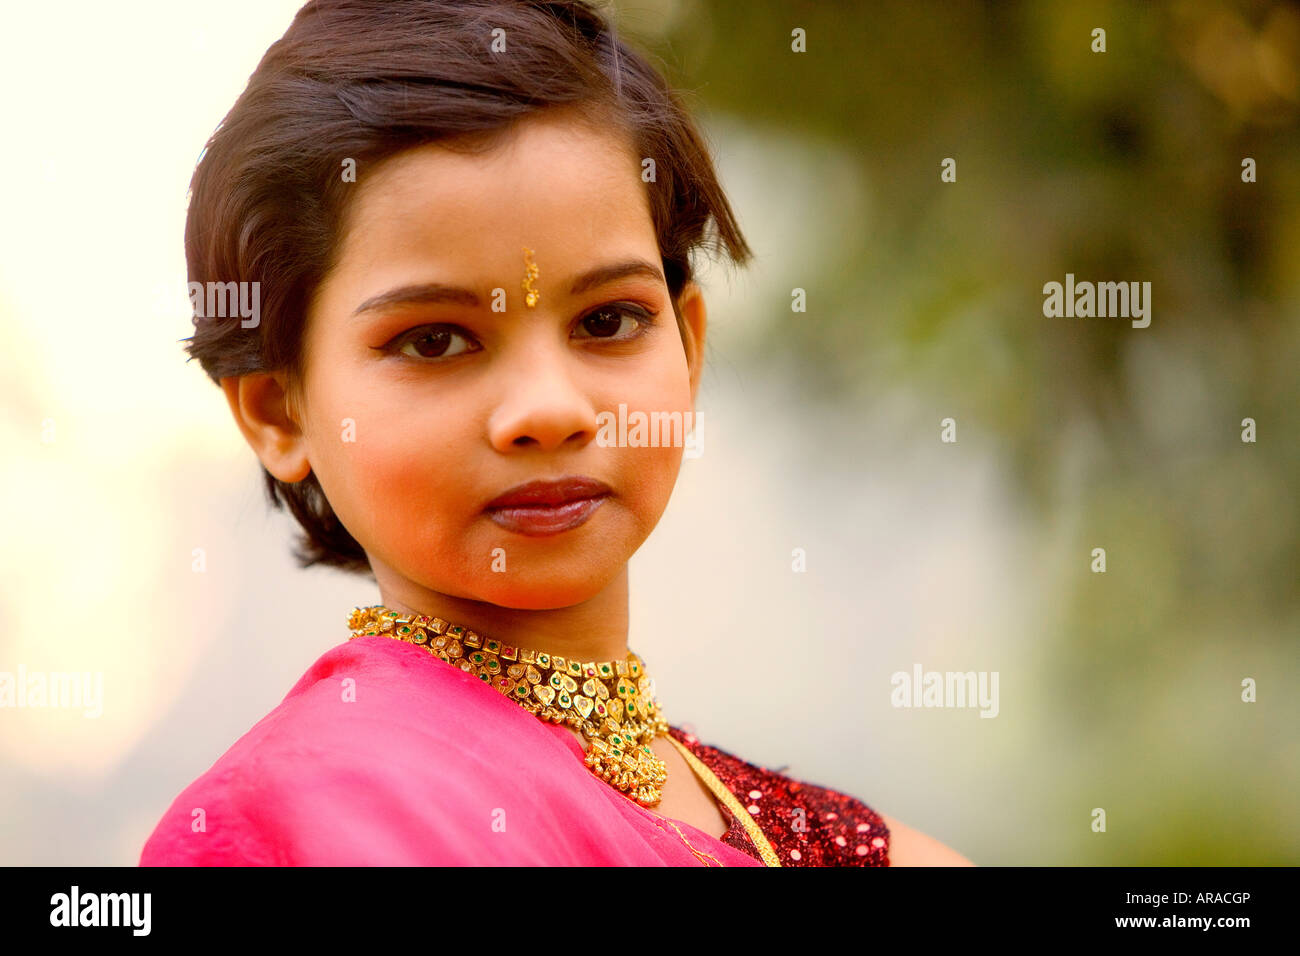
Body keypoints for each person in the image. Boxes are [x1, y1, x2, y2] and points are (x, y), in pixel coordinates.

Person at [140, 0, 972, 867]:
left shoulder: (828, 837)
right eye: (435, 341)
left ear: (688, 348)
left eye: (609, 321)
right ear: (280, 410)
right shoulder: (306, 818)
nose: (550, 410)